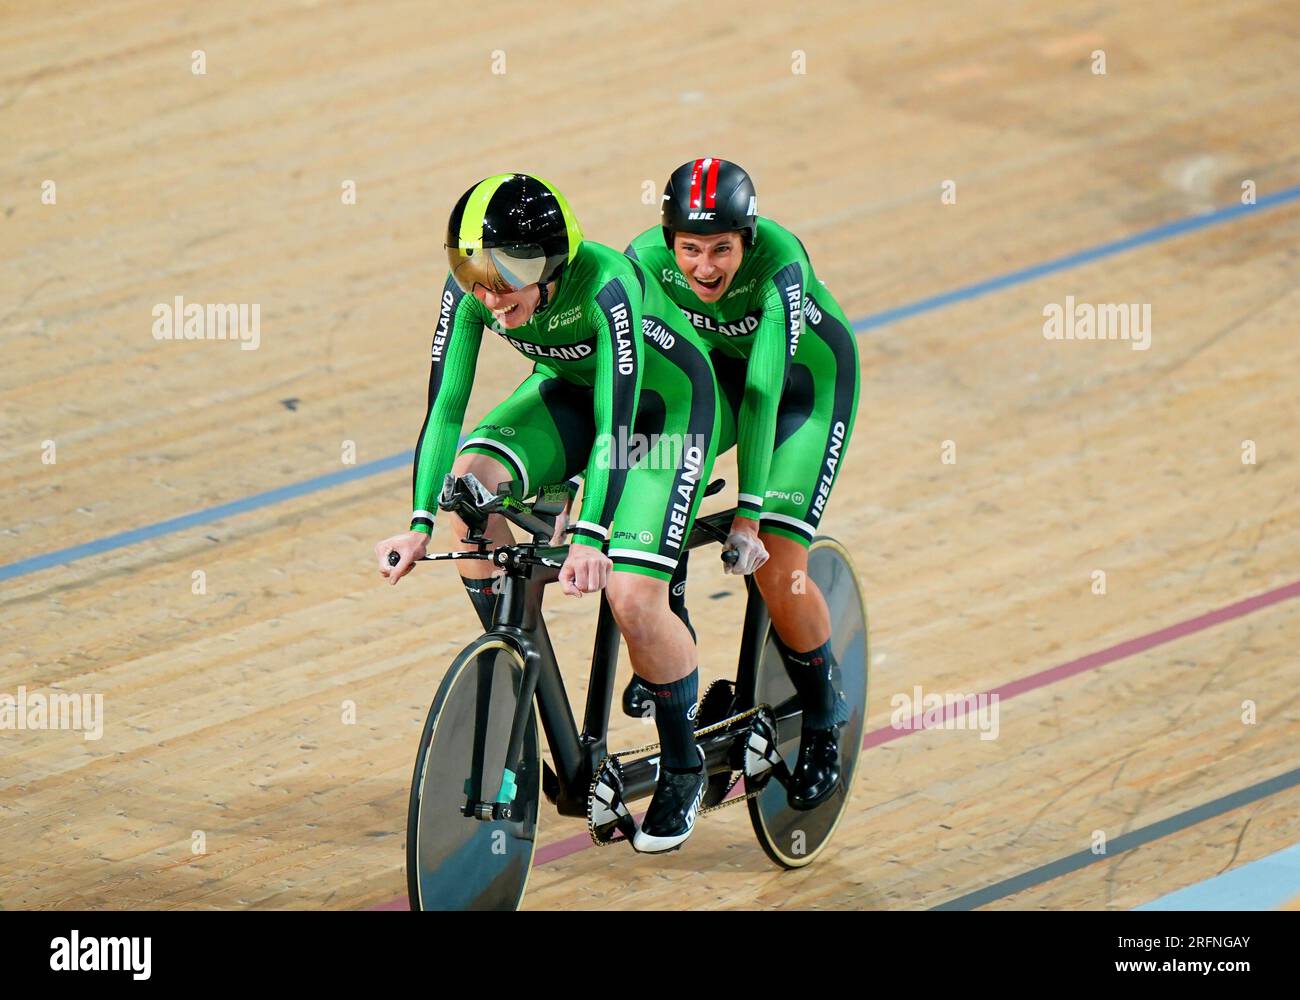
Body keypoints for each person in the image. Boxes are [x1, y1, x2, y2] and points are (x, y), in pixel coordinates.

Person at [374, 173, 725, 852]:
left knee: (631, 595)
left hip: (663, 411)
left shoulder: (606, 285)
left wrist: (593, 529)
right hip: (569, 394)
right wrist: (418, 523)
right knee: (470, 493)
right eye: (475, 275)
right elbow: (446, 407)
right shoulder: (476, 292)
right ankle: (535, 685)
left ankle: (683, 764)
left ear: (553, 265)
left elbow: (615, 421)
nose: (489, 295)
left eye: (507, 279)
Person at [625, 158, 861, 810]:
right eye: (691, 249)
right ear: (668, 240)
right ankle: (668, 617)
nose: (705, 267)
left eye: (722, 249)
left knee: (776, 569)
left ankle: (823, 713)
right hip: (723, 377)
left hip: (799, 393)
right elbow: (633, 375)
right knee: (657, 455)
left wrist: (751, 515)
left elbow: (762, 393)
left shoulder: (780, 266)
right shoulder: (641, 259)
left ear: (747, 241)